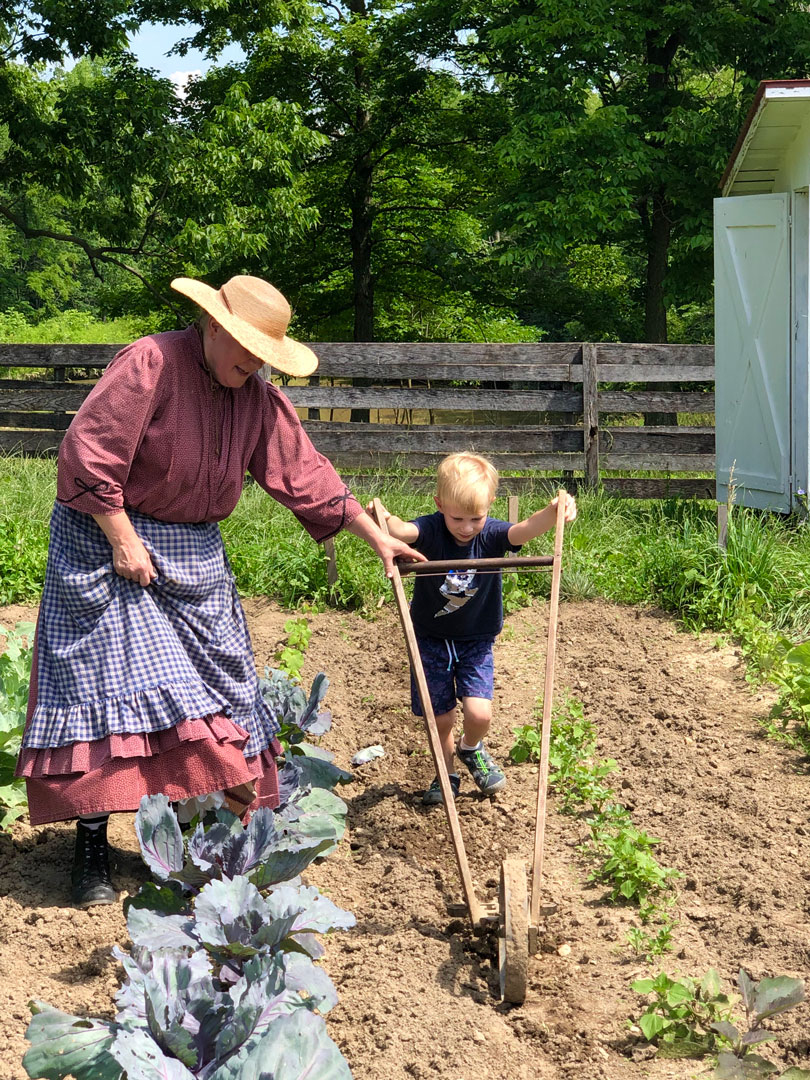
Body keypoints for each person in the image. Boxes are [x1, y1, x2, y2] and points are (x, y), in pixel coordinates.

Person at [16, 274, 424, 907]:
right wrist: (122, 538)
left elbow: (305, 474)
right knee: (115, 686)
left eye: (263, 352)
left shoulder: (256, 399)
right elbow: (88, 451)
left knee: (218, 691)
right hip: (106, 535)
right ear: (210, 326)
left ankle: (171, 846)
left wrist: (376, 538)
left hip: (192, 548)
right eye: (243, 345)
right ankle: (91, 845)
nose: (253, 361)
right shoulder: (151, 363)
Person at [372, 452, 576, 806]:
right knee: (442, 717)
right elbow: (404, 532)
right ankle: (446, 773)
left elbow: (524, 528)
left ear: (489, 506)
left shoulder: (493, 533)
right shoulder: (433, 529)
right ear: (439, 505)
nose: (467, 527)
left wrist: (555, 510)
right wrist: (384, 518)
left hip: (476, 641)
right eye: (457, 518)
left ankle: (472, 749)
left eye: (476, 518)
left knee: (479, 714)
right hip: (430, 639)